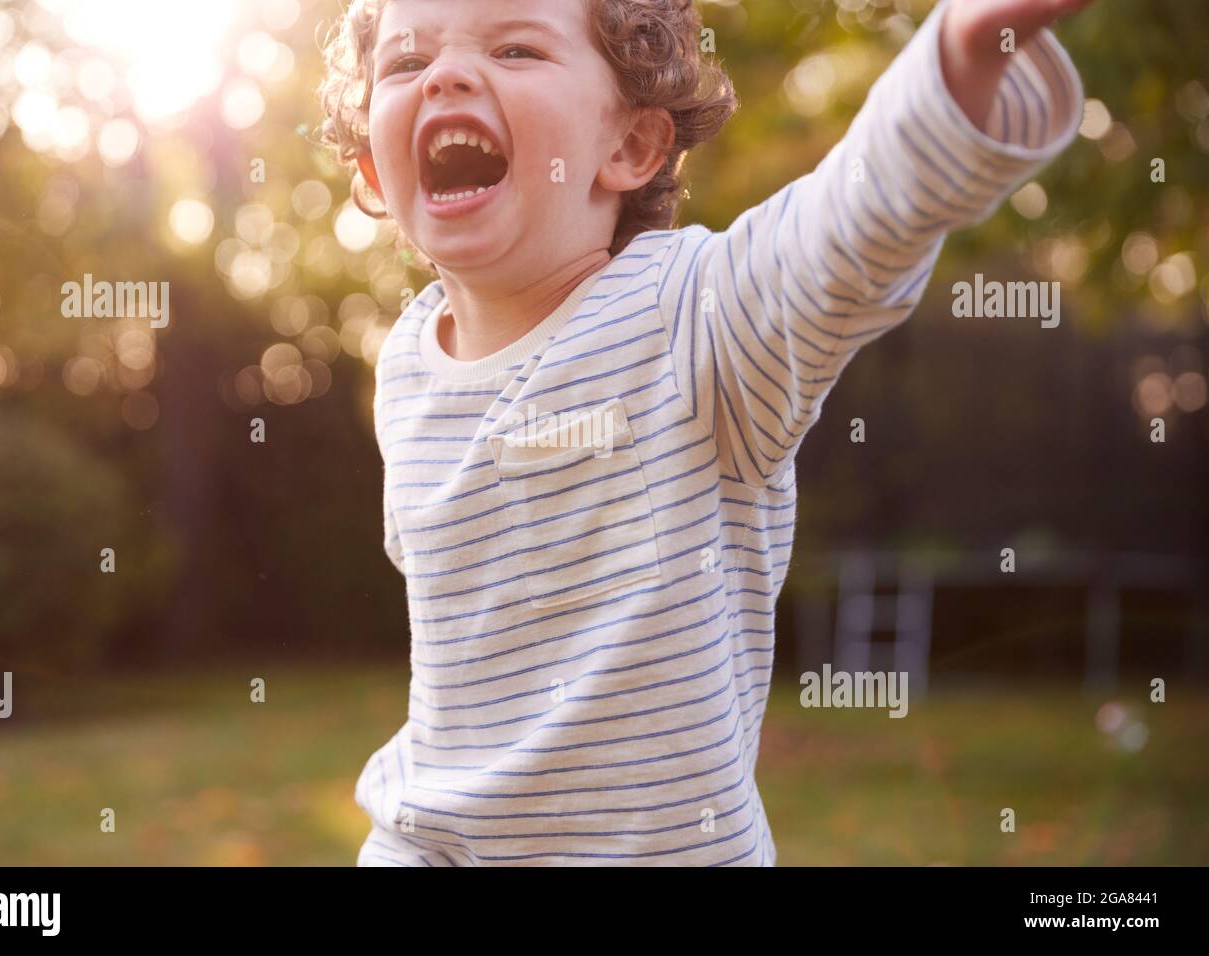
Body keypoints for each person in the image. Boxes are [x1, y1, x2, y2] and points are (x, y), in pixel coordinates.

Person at [317, 0, 1090, 866]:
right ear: (375, 174)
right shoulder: (407, 370)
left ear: (631, 147)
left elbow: (843, 231)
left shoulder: (697, 318)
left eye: (516, 47)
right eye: (404, 62)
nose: (447, 75)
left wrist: (963, 51)